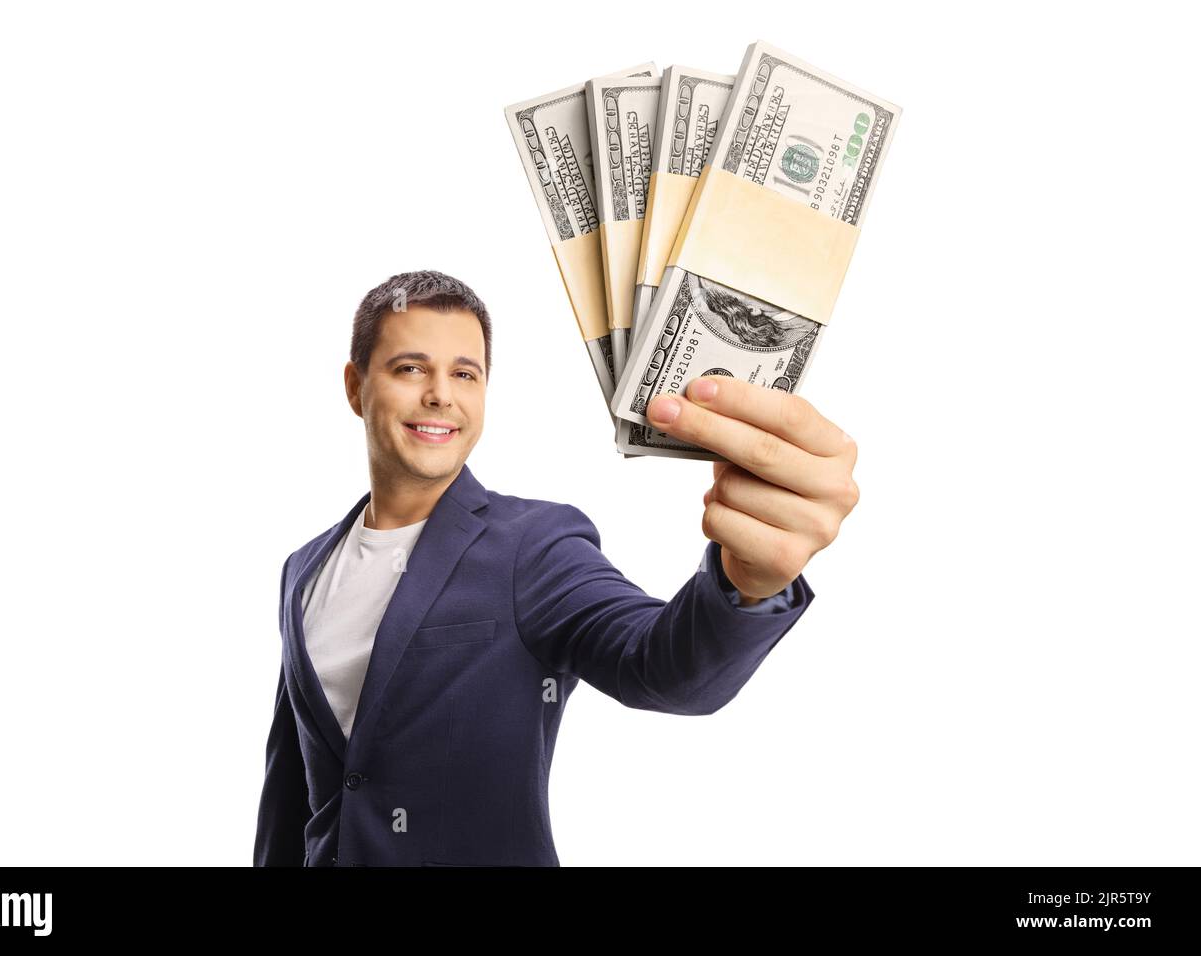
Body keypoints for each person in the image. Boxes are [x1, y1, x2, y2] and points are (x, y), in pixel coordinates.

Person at [253, 270, 860, 867]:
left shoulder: (534, 546)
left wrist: (746, 587)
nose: (440, 393)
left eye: (465, 373)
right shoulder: (304, 569)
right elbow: (291, 791)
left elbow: (663, 667)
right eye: (411, 368)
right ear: (356, 387)